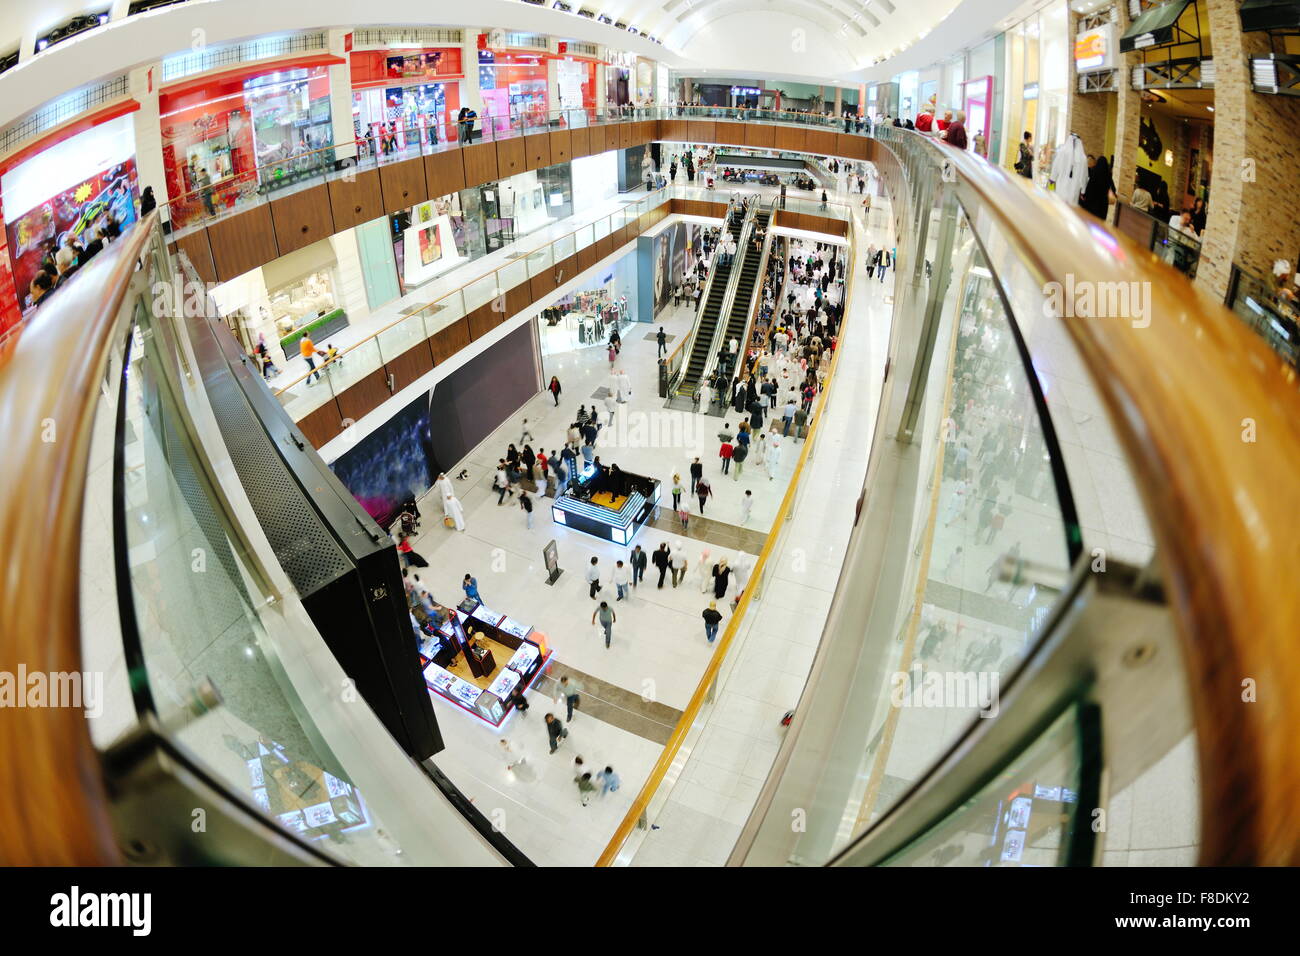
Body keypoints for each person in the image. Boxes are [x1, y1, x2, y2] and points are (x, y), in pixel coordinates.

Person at [1080, 155, 1115, 222]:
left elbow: (1089, 187)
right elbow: (1114, 188)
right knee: (1099, 222)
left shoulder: (1094, 172)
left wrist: (1084, 195)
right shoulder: (1108, 175)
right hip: (1102, 204)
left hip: (1092, 202)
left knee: (1089, 220)